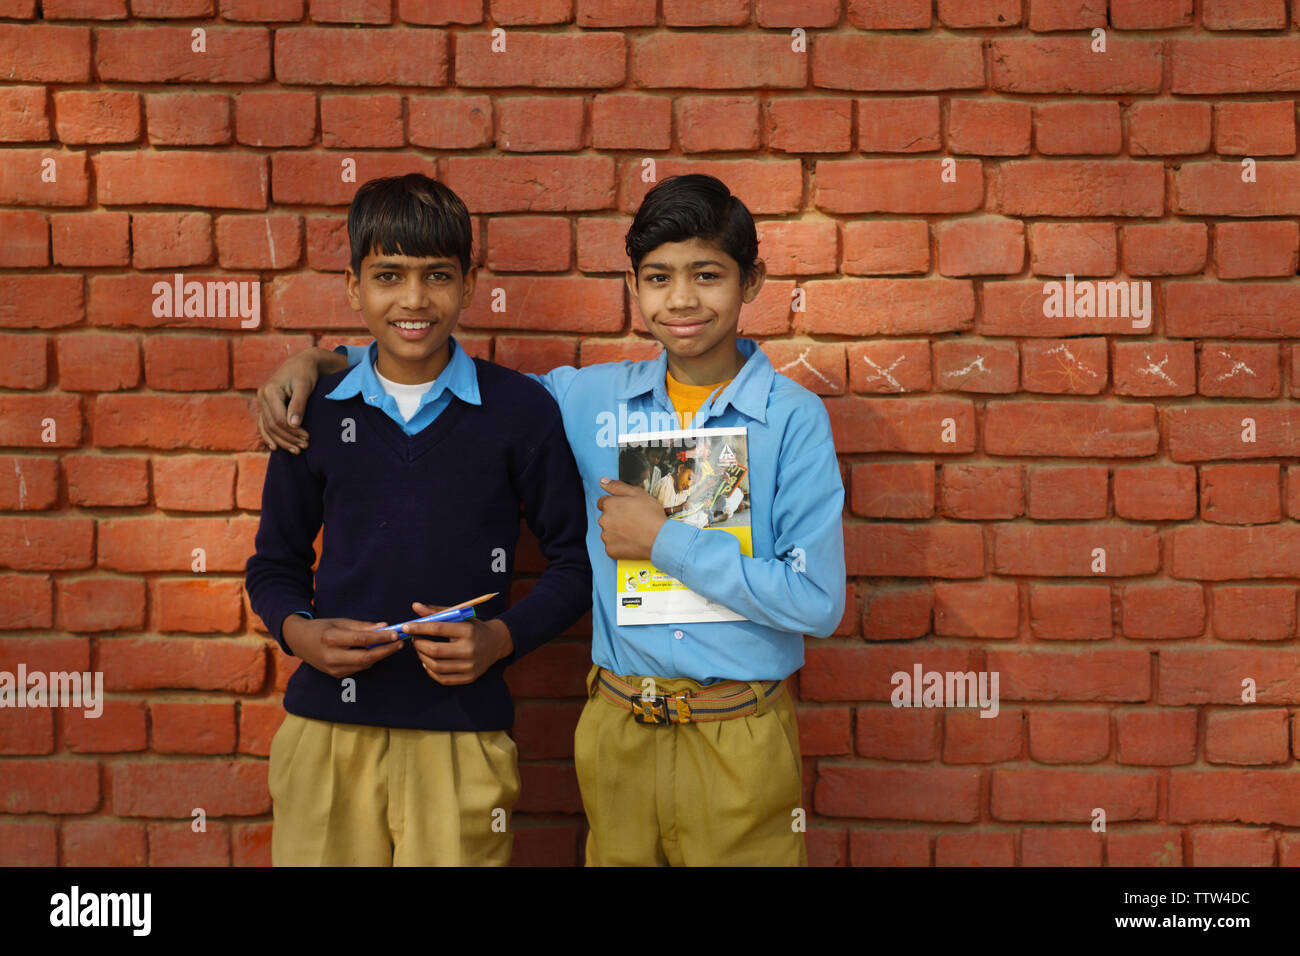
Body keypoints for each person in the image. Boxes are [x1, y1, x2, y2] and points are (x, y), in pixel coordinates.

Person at [255, 174, 846, 866]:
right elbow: (436, 376)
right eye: (658, 278)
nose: (682, 299)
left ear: (751, 282)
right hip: (620, 727)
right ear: (633, 286)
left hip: (743, 729)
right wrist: (327, 360)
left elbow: (818, 601)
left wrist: (665, 542)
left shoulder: (792, 418)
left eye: (707, 275)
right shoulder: (589, 399)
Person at [243, 173, 591, 866]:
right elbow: (274, 564)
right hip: (327, 734)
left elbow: (576, 564)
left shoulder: (519, 412)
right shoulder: (315, 409)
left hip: (459, 740)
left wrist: (500, 638)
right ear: (352, 288)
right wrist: (297, 631)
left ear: (468, 283)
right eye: (388, 275)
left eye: (436, 275)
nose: (412, 299)